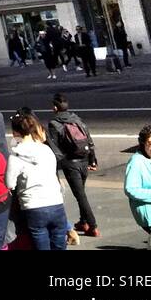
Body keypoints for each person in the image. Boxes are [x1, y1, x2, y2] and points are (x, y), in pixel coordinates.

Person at [5, 112, 69, 250]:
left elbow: (9, 183)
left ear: (15, 132)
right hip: (56, 202)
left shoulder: (15, 156)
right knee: (59, 245)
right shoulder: (46, 150)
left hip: (33, 206)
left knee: (40, 245)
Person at [48, 93, 99, 237]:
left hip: (70, 163)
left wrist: (58, 165)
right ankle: (83, 221)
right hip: (84, 160)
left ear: (55, 107)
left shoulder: (54, 123)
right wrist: (92, 159)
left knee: (80, 196)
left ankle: (93, 225)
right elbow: (89, 139)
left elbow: (55, 147)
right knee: (81, 192)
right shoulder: (76, 119)